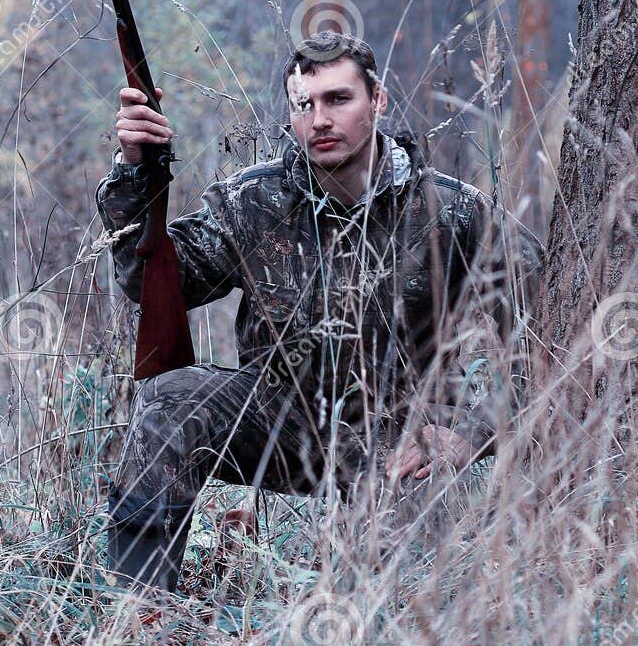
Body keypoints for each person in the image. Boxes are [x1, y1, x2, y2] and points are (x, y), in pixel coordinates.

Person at [96, 30, 541, 590]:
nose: (320, 119)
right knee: (170, 400)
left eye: (338, 99)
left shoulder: (450, 210)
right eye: (304, 104)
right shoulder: (252, 201)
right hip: (280, 422)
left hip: (399, 440)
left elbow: (547, 331)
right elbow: (151, 281)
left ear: (376, 101)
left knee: (390, 596)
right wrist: (135, 171)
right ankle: (135, 611)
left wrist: (465, 432)